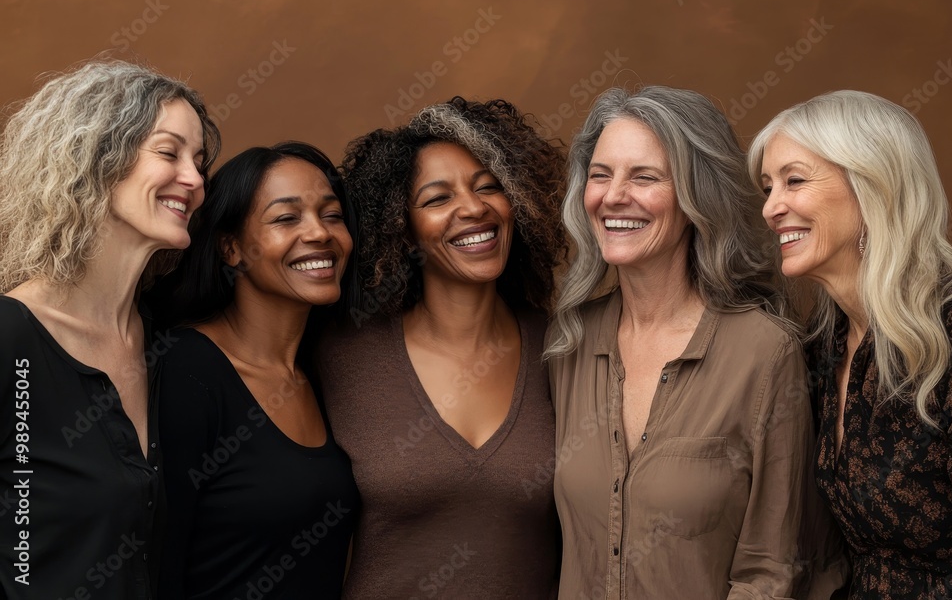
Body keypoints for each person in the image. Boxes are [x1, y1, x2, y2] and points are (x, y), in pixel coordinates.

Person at [545, 86, 847, 599]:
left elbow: (772, 570)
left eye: (645, 176)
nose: (614, 195)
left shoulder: (763, 351)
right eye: (600, 175)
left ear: (694, 198)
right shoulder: (568, 341)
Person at [750, 90, 952, 598]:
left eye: (794, 181)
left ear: (874, 186)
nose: (771, 208)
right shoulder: (824, 349)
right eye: (768, 187)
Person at [319, 97, 565, 598]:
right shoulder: (338, 354)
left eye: (488, 187)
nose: (474, 208)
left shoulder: (565, 348)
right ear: (400, 230)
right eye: (437, 199)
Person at [0, 59, 220, 598]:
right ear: (93, 160)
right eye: (168, 153)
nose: (193, 180)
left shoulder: (167, 346)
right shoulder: (10, 338)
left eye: (199, 162)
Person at [155, 142, 360, 599]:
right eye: (286, 218)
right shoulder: (185, 370)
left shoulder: (326, 374)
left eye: (332, 215)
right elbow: (156, 564)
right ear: (231, 249)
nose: (320, 234)